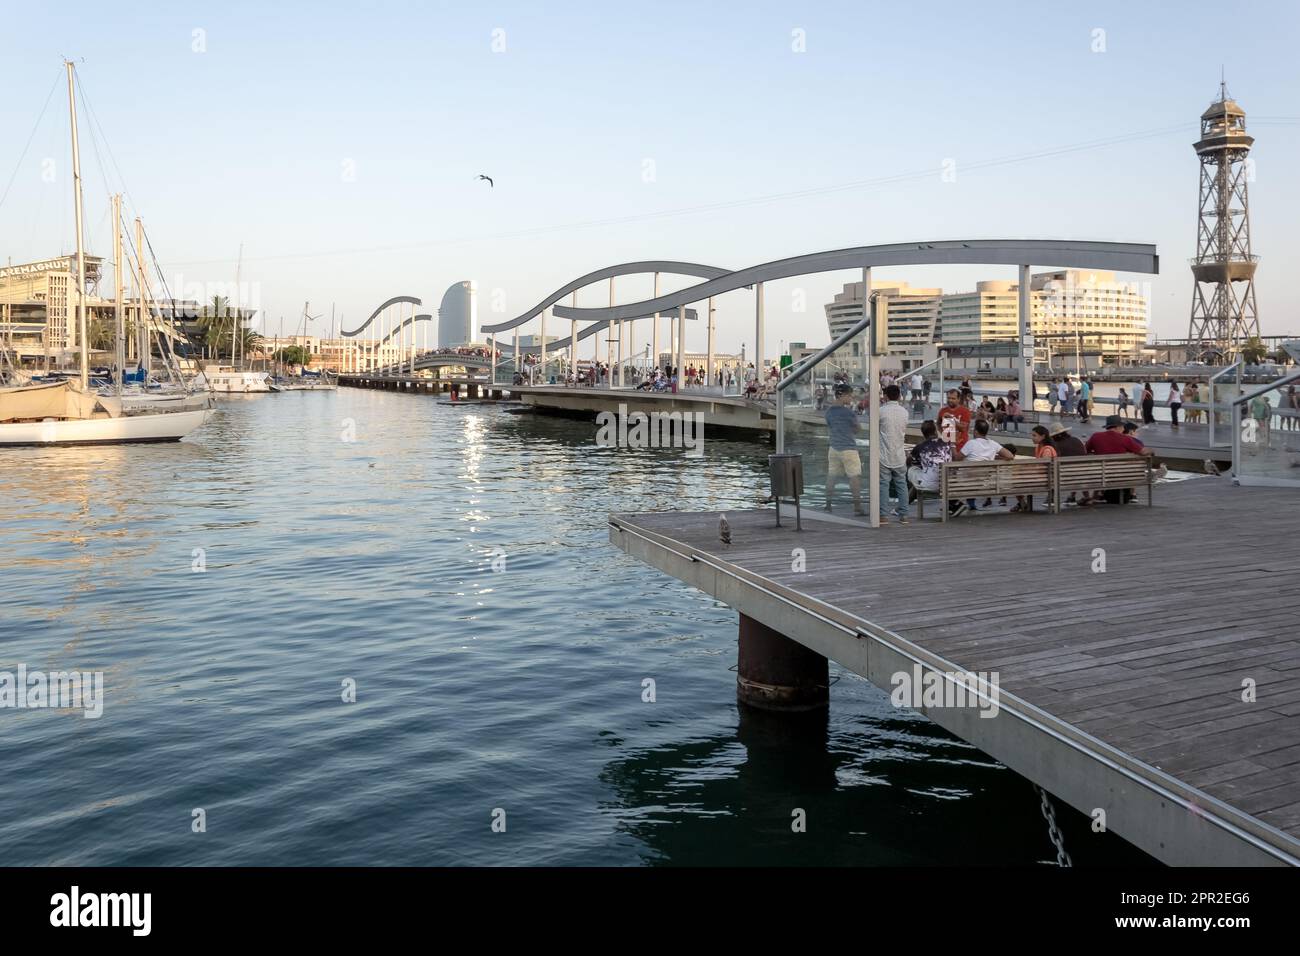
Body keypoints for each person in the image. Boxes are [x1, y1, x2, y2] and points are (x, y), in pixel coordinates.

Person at [1086, 415, 1156, 504]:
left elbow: (1085, 450)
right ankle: (1130, 494)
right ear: (1117, 427)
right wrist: (1152, 450)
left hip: (1100, 473)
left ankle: (1097, 495)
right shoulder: (1125, 438)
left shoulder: (1095, 436)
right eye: (1122, 426)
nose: (1123, 428)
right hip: (1120, 474)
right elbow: (1142, 452)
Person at [824, 383, 865, 515]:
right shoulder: (849, 412)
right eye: (850, 396)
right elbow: (858, 429)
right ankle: (857, 508)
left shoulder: (829, 412)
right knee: (854, 477)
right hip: (848, 448)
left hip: (833, 447)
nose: (851, 399)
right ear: (843, 395)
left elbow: (830, 426)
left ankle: (828, 505)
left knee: (831, 476)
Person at [907, 420, 957, 515]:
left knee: (912, 470)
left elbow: (908, 461)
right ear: (935, 431)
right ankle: (954, 503)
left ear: (923, 434)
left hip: (930, 485)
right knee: (926, 474)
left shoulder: (920, 447)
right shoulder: (947, 443)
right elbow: (954, 457)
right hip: (947, 483)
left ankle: (903, 506)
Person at [878, 384, 911, 524]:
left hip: (883, 453)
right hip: (899, 453)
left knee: (883, 484)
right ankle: (904, 515)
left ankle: (883, 515)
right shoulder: (905, 412)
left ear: (885, 396)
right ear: (899, 396)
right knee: (901, 484)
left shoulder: (880, 411)